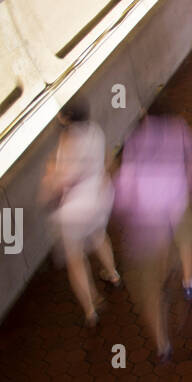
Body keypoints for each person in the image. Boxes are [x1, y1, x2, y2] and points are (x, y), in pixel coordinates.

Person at [111, 109, 192, 362]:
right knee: (184, 242)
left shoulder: (134, 140)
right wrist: (187, 187)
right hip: (176, 204)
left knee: (148, 293)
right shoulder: (179, 127)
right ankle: (185, 282)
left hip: (144, 227)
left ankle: (163, 346)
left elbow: (124, 191)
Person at [39, 100, 120, 327]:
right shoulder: (95, 131)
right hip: (99, 199)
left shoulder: (66, 143)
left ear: (66, 119)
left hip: (74, 210)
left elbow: (58, 181)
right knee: (99, 236)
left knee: (76, 259)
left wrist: (48, 181)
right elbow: (107, 162)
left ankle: (90, 310)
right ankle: (113, 274)